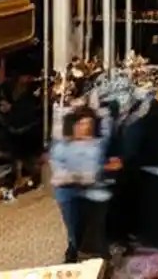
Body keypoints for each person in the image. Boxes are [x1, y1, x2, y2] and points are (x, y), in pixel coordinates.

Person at [50, 106, 107, 263]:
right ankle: (74, 247)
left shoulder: (96, 145)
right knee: (73, 224)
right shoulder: (62, 146)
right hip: (67, 192)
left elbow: (95, 170)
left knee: (92, 224)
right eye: (82, 124)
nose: (86, 128)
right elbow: (58, 172)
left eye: (89, 124)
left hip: (89, 191)